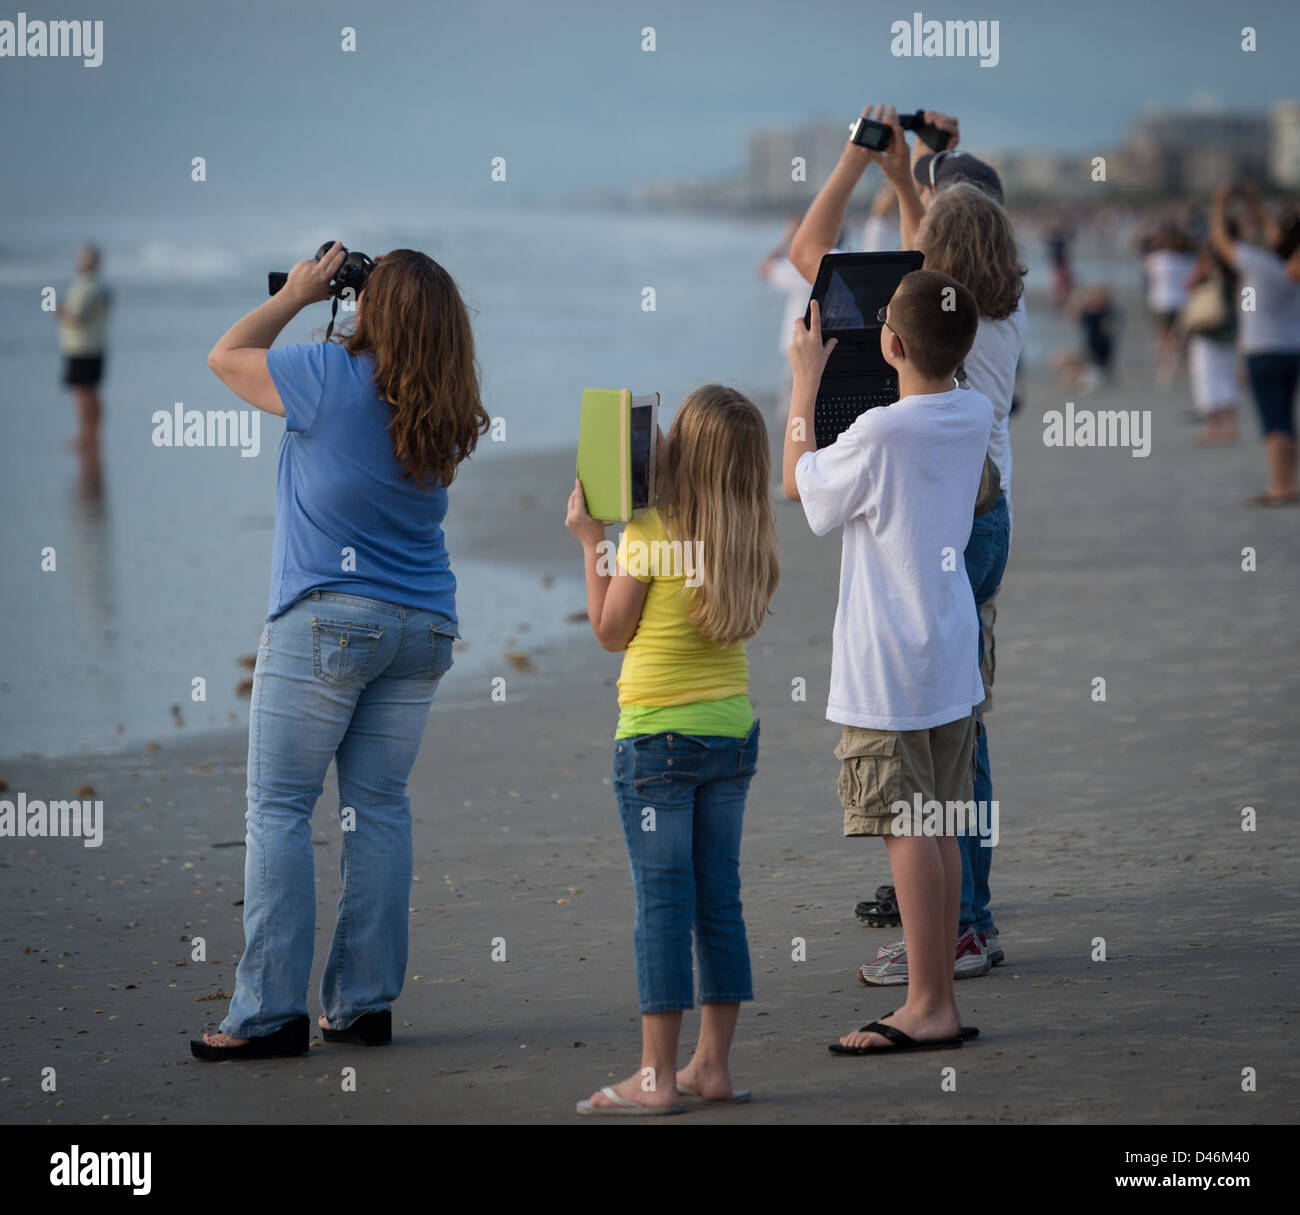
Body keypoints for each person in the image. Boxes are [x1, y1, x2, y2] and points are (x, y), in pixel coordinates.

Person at [191, 244, 488, 1060]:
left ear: (372, 310)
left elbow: (225, 355)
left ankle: (268, 1014)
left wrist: (295, 292)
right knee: (378, 808)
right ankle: (361, 1005)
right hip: (423, 624)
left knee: (281, 809)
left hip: (328, 616)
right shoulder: (443, 402)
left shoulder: (327, 376)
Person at [791, 104, 1024, 982]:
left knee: (934, 724)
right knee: (959, 714)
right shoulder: (996, 308)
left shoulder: (930, 319)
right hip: (984, 503)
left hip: (939, 509)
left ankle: (960, 923)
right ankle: (956, 911)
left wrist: (863, 158)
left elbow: (805, 255)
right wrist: (911, 173)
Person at [784, 274, 991, 1053]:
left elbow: (802, 493)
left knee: (907, 830)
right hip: (946, 657)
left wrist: (805, 381)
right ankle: (935, 993)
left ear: (890, 344)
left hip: (887, 671)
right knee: (935, 824)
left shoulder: (876, 433)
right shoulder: (972, 412)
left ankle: (928, 1003)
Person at [566, 385, 778, 1113]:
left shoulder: (652, 529)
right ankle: (710, 1066)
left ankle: (656, 1078)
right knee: (719, 899)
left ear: (681, 451)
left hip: (658, 743)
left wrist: (593, 538)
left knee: (662, 902)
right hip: (731, 735)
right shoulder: (750, 533)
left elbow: (608, 629)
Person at [1209, 183, 1300, 504]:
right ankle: (1290, 481)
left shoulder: (1259, 265)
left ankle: (1279, 486)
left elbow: (1221, 241)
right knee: (1287, 418)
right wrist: (1256, 204)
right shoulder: (1292, 268)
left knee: (1272, 420)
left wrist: (1218, 206)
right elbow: (1281, 235)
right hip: (1293, 349)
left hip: (1262, 350)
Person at [56, 244, 111, 466]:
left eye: (82, 259)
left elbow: (74, 318)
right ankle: (93, 436)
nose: (79, 263)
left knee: (82, 394)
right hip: (96, 345)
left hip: (80, 347)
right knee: (92, 393)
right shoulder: (101, 287)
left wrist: (56, 309)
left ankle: (86, 437)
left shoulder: (85, 288)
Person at [1183, 232, 1240, 446]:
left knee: (1207, 377)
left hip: (1209, 329)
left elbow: (1187, 286)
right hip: (1230, 330)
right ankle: (1229, 424)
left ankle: (1214, 426)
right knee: (1225, 377)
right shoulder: (1238, 270)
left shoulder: (1209, 270)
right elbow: (1248, 299)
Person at [1143, 222, 1198, 385]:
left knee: (1165, 337)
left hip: (1161, 302)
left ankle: (1166, 369)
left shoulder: (1157, 258)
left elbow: (1148, 272)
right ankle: (1186, 369)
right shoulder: (1189, 258)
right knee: (1185, 339)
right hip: (1184, 301)